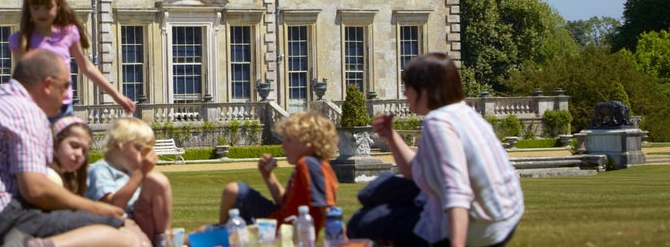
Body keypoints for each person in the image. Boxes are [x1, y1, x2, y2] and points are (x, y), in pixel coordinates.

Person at [0, 49, 148, 247]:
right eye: (65, 87)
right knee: (124, 234)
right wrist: (96, 209)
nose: (66, 97)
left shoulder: (3, 101)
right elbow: (35, 190)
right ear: (47, 85)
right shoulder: (26, 111)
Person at [369, 52, 524, 247]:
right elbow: (412, 171)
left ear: (424, 90)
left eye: (407, 86)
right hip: (504, 218)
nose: (404, 93)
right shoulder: (465, 114)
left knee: (366, 221)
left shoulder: (438, 123)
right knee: (376, 191)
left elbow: (457, 191)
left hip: (481, 227)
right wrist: (391, 136)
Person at [10, 0, 136, 119]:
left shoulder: (68, 33)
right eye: (36, 8)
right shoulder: (21, 40)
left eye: (47, 7)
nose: (42, 13)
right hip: (34, 111)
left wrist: (117, 95)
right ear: (29, 9)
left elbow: (86, 67)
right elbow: (21, 80)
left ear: (57, 6)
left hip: (63, 108)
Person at [216, 111, 338, 236]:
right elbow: (284, 203)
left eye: (289, 140)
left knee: (203, 236)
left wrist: (341, 240)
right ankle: (221, 234)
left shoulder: (308, 164)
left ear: (308, 143)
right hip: (279, 222)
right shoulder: (312, 165)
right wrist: (267, 175)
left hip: (281, 232)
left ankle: (220, 235)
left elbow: (327, 208)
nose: (283, 145)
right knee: (233, 191)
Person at [86, 117, 174, 247]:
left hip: (137, 220)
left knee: (157, 180)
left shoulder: (129, 172)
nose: (143, 155)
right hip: (115, 225)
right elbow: (112, 208)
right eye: (139, 148)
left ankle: (163, 239)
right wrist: (140, 173)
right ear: (117, 145)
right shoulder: (101, 169)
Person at [49, 116, 94, 195]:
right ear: (56, 142)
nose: (79, 154)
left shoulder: (70, 182)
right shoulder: (50, 177)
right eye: (74, 146)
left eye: (84, 151)